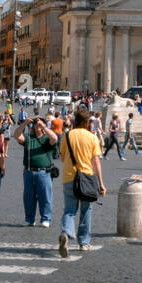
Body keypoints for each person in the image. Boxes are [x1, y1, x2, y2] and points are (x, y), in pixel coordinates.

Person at [59, 107, 106, 255]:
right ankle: (84, 242)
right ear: (87, 122)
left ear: (75, 121)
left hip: (69, 176)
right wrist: (101, 183)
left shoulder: (67, 135)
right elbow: (96, 162)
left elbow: (62, 157)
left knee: (69, 210)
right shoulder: (92, 138)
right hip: (86, 177)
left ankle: (66, 233)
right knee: (86, 211)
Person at [16, 116, 58, 227]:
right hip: (29, 172)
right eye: (36, 124)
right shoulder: (29, 138)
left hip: (44, 172)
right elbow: (16, 135)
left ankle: (46, 219)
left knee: (45, 197)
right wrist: (24, 123)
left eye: (40, 124)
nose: (37, 126)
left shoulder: (47, 139)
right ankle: (29, 219)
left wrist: (44, 126)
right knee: (28, 197)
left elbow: (55, 139)